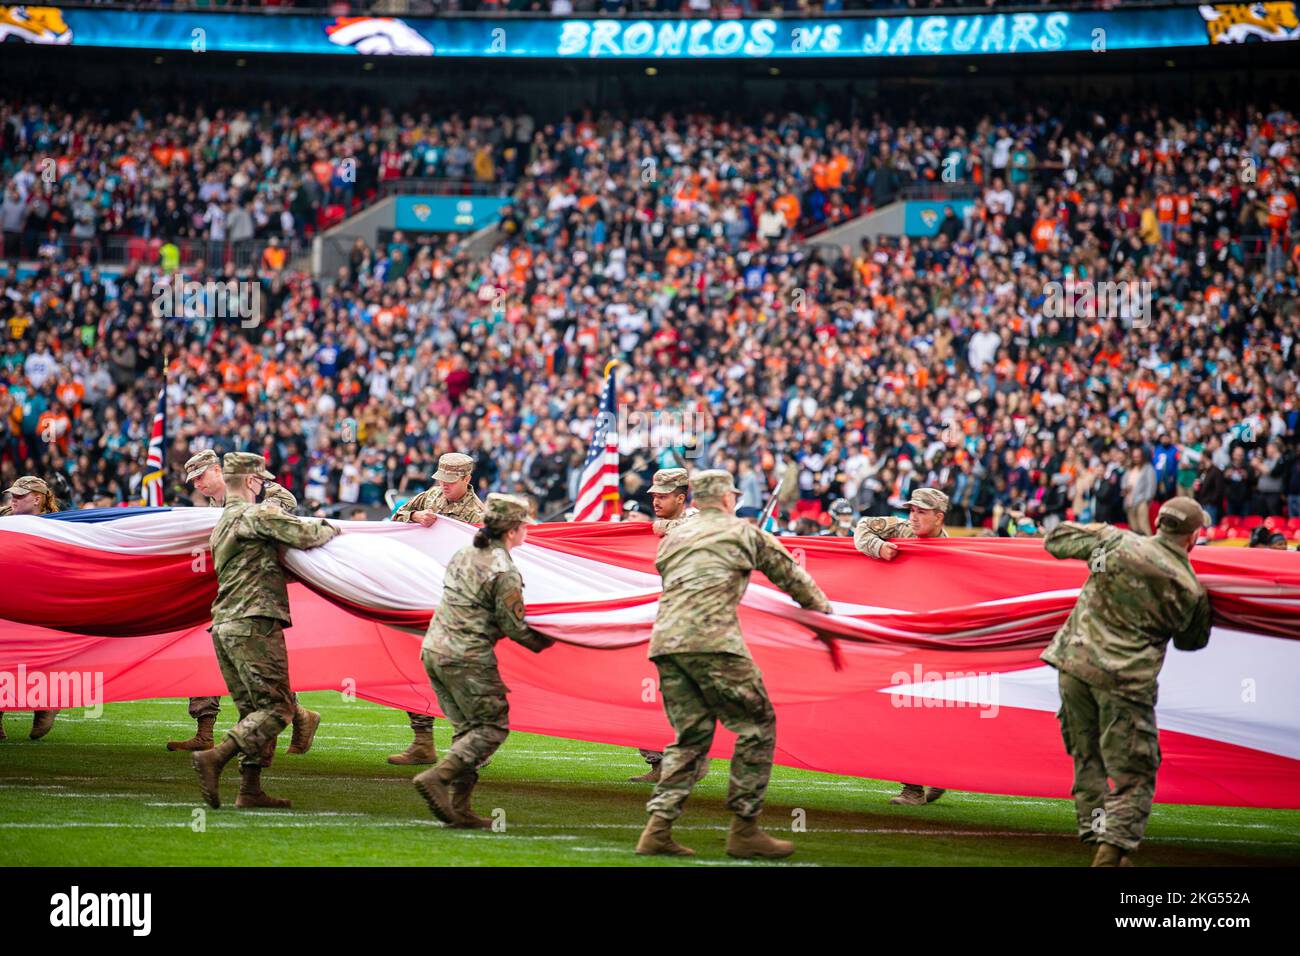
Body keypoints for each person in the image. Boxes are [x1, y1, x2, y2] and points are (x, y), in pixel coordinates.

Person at [636, 469, 832, 859]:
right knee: (758, 725)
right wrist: (828, 618)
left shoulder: (675, 537)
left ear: (696, 499)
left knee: (690, 740)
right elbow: (793, 578)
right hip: (713, 643)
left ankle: (657, 830)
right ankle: (744, 828)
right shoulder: (741, 532)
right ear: (728, 499)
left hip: (666, 645)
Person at [1041, 497, 1211, 866]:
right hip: (1125, 683)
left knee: (1088, 757)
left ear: (1158, 523)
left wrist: (1098, 535)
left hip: (1075, 667)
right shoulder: (1190, 587)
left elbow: (1056, 540)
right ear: (1193, 537)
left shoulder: (1117, 542)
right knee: (1134, 774)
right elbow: (1191, 641)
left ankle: (1099, 836)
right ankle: (1111, 853)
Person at [191, 453, 340, 809]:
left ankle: (250, 789)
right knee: (277, 708)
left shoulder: (222, 521)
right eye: (260, 480)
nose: (263, 485)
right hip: (253, 622)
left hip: (225, 624)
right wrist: (336, 529)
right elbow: (307, 534)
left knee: (252, 711)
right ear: (251, 481)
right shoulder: (254, 515)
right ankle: (215, 757)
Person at [411, 493, 554, 828]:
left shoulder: (464, 553)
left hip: (435, 650)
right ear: (513, 531)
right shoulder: (504, 570)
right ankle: (437, 778)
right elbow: (513, 626)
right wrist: (554, 640)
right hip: (467, 657)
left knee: (467, 731)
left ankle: (460, 809)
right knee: (491, 727)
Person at [169, 449, 322, 756]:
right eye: (193, 480)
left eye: (200, 476)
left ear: (217, 470)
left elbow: (285, 509)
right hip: (226, 589)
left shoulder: (258, 491)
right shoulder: (213, 507)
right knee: (208, 655)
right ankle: (206, 731)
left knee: (257, 665)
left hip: (257, 590)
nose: (197, 484)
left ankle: (290, 721)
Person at [853, 486, 952, 806]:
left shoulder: (957, 551)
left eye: (921, 512)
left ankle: (935, 775)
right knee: (901, 713)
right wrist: (878, 548)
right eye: (912, 510)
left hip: (935, 644)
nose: (913, 516)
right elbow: (861, 527)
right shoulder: (901, 530)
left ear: (939, 517)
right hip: (901, 639)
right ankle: (914, 786)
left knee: (929, 717)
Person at [388, 452, 487, 766]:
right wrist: (415, 517)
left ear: (467, 479)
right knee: (412, 666)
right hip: (421, 595)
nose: (444, 485)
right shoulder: (429, 496)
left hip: (456, 602)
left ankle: (473, 745)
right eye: (441, 479)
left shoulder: (477, 514)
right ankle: (422, 740)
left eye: (451, 481)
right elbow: (394, 518)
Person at [629, 467, 700, 784]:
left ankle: (689, 763)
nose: (655, 501)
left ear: (681, 498)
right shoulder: (656, 527)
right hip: (660, 622)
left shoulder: (696, 523)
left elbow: (699, 532)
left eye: (663, 496)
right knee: (641, 692)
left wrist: (665, 527)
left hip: (690, 626)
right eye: (654, 496)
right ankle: (658, 761)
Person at [0, 476, 61, 740]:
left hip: (41, 602)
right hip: (7, 599)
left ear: (37, 499)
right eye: (12, 495)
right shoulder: (4, 519)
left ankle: (45, 705)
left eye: (19, 496)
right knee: (4, 657)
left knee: (39, 658)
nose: (13, 499)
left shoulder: (60, 526)